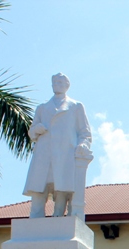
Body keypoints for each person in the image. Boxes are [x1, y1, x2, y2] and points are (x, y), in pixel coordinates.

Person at [23, 73, 93, 219]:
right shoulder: (42, 108)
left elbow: (85, 133)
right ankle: (35, 217)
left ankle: (58, 215)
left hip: (65, 153)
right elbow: (31, 133)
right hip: (44, 153)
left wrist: (82, 145)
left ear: (67, 85)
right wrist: (37, 129)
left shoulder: (75, 106)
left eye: (61, 82)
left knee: (62, 188)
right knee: (39, 187)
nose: (57, 84)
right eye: (55, 82)